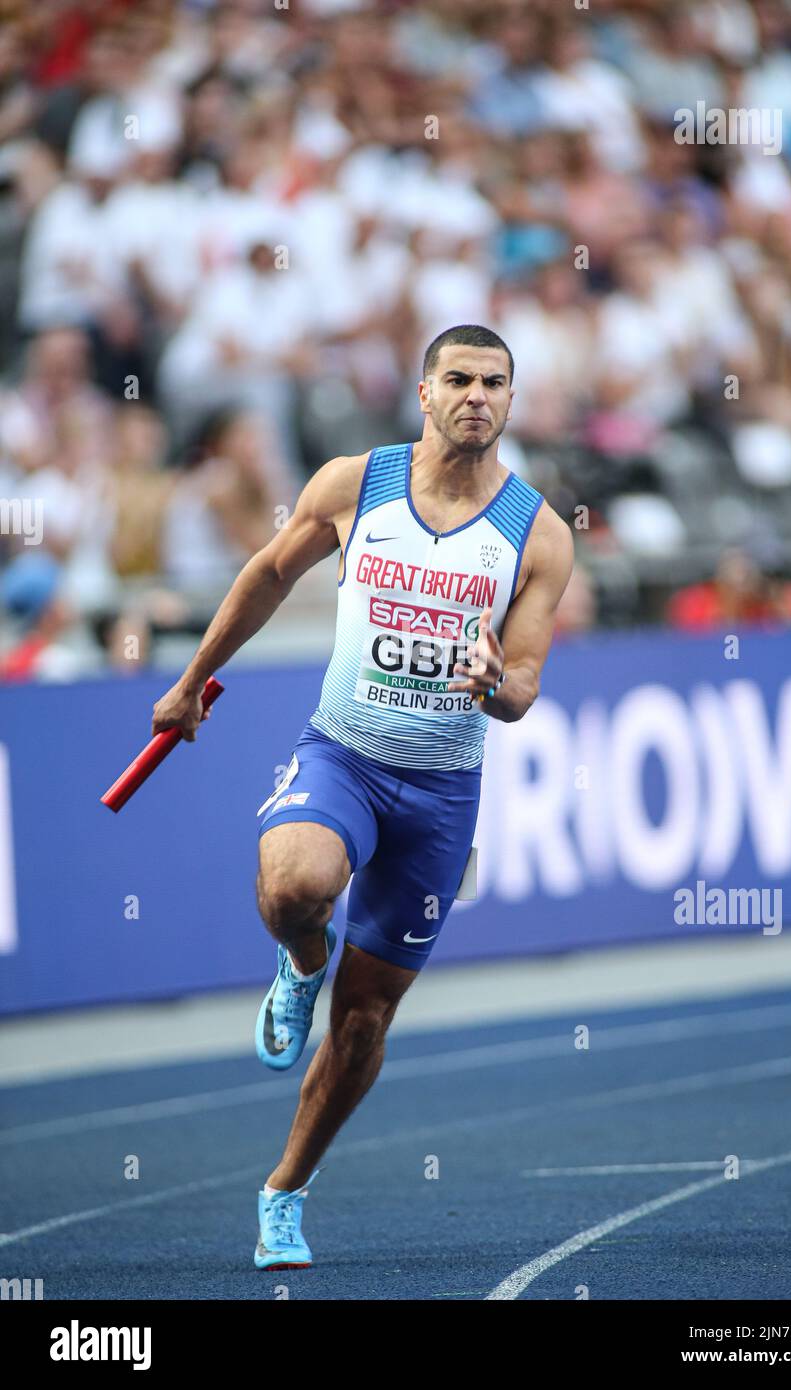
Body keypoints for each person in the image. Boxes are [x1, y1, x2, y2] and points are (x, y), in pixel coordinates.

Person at [151, 324, 574, 1270]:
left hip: (438, 795)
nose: (477, 396)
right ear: (423, 393)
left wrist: (492, 683)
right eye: (458, 379)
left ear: (512, 400)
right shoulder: (355, 484)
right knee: (294, 885)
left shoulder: (536, 534)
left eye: (495, 383)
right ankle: (301, 963)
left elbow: (524, 688)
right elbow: (267, 575)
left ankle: (284, 1191)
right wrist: (190, 683)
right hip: (343, 754)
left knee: (365, 1021)